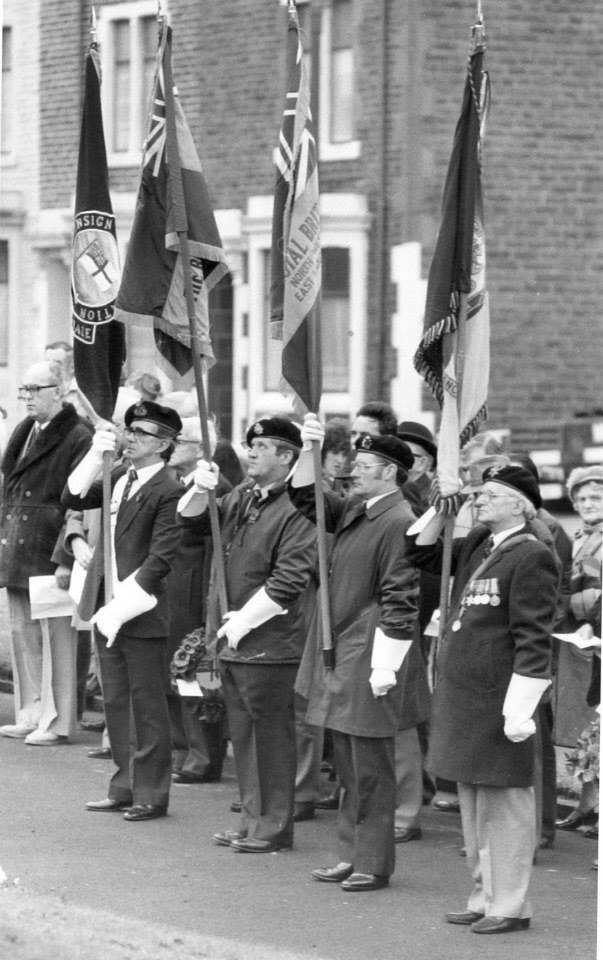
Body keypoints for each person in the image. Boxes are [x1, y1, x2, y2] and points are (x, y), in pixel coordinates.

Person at [408, 464, 559, 934]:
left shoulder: (532, 555)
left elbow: (534, 636)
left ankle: (510, 904)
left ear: (521, 504)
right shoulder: (479, 544)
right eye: (479, 493)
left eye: (491, 494)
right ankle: (484, 894)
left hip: (499, 697)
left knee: (505, 805)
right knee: (474, 804)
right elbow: (419, 551)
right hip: (466, 695)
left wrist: (521, 706)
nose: (480, 500)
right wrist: (441, 505)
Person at [291, 416, 423, 891]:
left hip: (368, 651)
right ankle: (350, 853)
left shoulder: (399, 521)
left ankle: (373, 861)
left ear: (390, 471)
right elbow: (308, 500)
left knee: (370, 767)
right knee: (349, 763)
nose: (355, 472)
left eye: (365, 465)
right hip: (345, 646)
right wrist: (310, 450)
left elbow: (401, 597)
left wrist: (386, 663)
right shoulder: (358, 509)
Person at [180, 416, 316, 853]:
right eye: (250, 445)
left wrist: (242, 621)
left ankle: (274, 824)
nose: (252, 452)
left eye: (264, 447)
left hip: (270, 640)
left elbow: (289, 578)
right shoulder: (242, 495)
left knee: (271, 737)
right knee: (244, 734)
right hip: (232, 636)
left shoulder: (301, 506)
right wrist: (200, 490)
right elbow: (196, 526)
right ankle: (253, 816)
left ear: (288, 457)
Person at [63, 400, 183, 822]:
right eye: (130, 430)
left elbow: (161, 558)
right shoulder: (120, 475)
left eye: (142, 434)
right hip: (106, 606)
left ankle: (151, 792)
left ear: (165, 444)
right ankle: (124, 784)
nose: (131, 438)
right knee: (116, 700)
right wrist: (96, 453)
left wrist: (120, 607)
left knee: (147, 704)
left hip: (138, 610)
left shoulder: (170, 488)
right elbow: (71, 495)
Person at [0, 360, 92, 744]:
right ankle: (31, 710)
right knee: (23, 634)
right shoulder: (26, 431)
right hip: (19, 542)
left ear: (59, 391)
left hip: (49, 546)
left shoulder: (77, 435)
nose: (27, 398)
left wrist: (66, 557)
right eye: (24, 391)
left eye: (35, 390)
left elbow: (80, 500)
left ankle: (55, 721)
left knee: (56, 638)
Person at [167, 416, 230, 784]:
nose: (173, 444)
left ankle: (205, 756)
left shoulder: (215, 488)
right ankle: (187, 748)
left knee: (201, 673)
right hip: (176, 591)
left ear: (202, 449)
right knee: (179, 673)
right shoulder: (183, 484)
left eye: (182, 440)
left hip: (198, 596)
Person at [556, 466, 602, 838]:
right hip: (584, 639)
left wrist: (589, 619)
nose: (587, 504)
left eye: (595, 498)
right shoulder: (583, 536)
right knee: (590, 726)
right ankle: (587, 806)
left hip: (596, 636)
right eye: (581, 498)